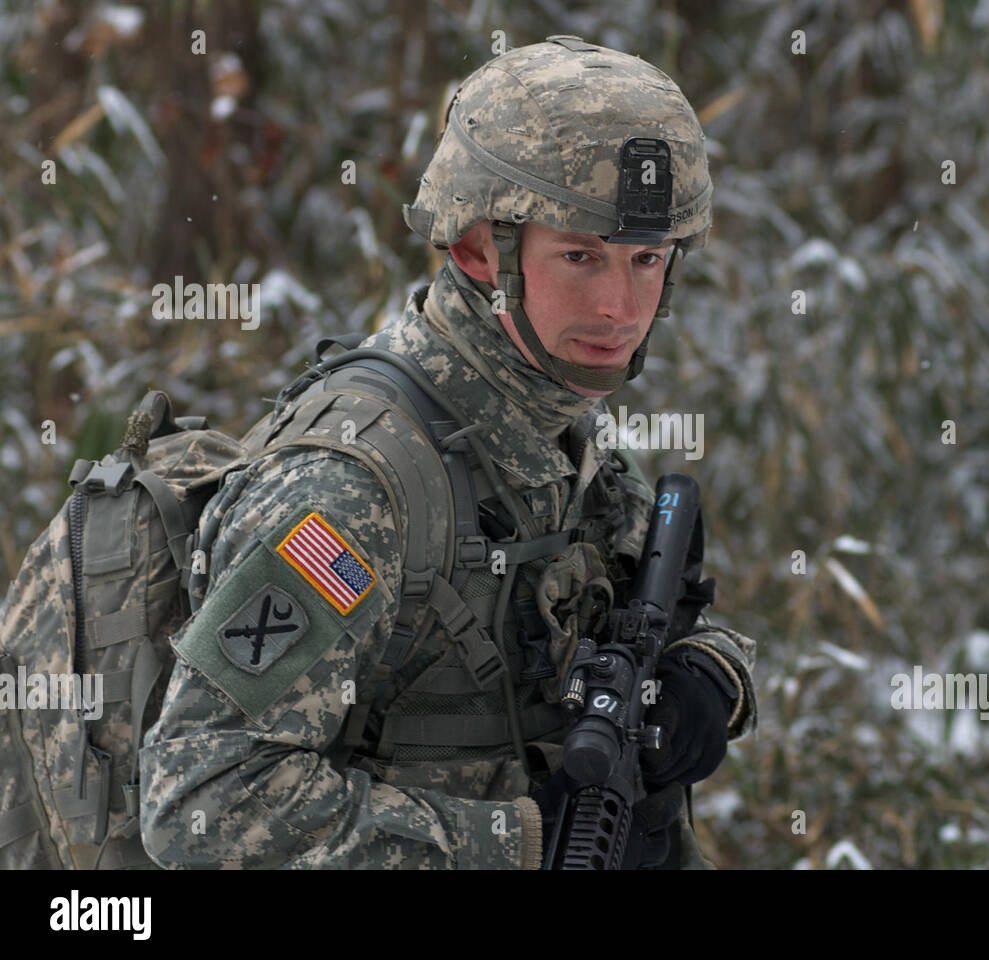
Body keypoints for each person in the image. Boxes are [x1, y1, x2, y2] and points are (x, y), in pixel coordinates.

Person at [139, 34, 756, 869]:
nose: (620, 306)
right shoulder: (354, 488)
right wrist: (515, 842)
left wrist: (710, 679)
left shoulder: (550, 424)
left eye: (646, 259)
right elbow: (203, 801)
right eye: (580, 256)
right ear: (475, 248)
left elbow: (660, 620)